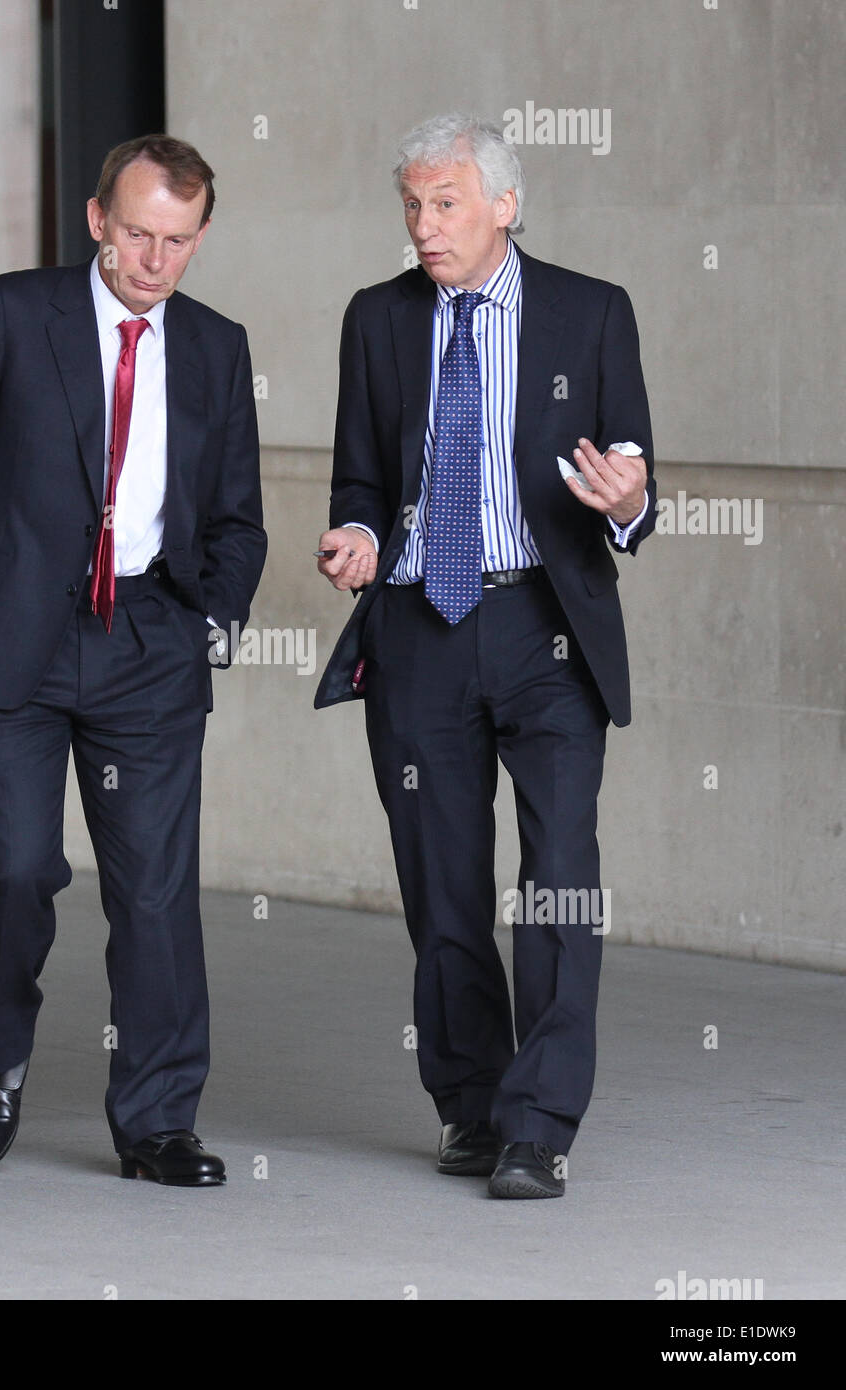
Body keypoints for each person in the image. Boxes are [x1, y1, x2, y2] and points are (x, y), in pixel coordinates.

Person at [0, 135, 266, 1186]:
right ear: (97, 220)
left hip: (149, 640)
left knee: (154, 892)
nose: (153, 260)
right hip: (6, 634)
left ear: (198, 240)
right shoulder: (6, 313)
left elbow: (237, 518)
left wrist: (209, 625)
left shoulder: (218, 347)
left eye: (177, 242)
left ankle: (156, 1120)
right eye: (137, 233)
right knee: (13, 871)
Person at [314, 113, 655, 1198]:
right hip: (417, 629)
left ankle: (539, 1122)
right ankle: (470, 1104)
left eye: (446, 202)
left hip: (544, 630)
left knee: (558, 876)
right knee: (442, 884)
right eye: (411, 203)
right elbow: (359, 480)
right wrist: (360, 535)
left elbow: (633, 472)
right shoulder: (376, 320)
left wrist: (630, 502)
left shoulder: (591, 313)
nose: (424, 223)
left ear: (506, 205)